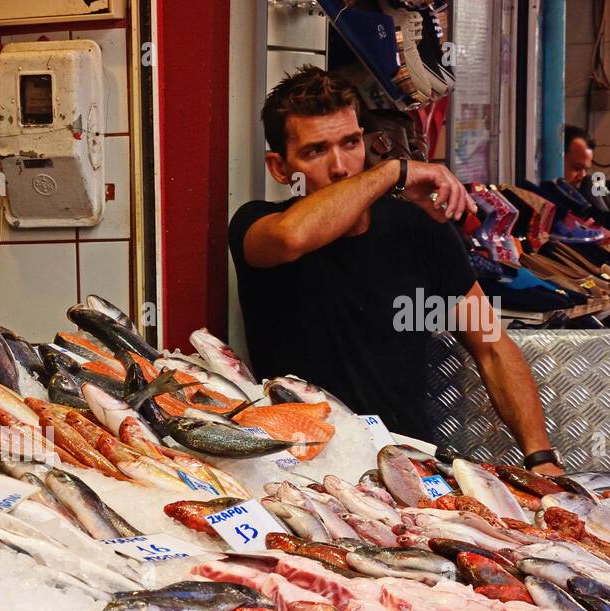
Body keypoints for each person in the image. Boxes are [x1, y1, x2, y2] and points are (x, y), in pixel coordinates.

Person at [229, 67, 563, 475]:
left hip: (410, 463)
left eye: (352, 143)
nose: (340, 166)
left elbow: (492, 347)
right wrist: (391, 171)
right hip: (306, 471)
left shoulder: (418, 230)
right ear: (280, 168)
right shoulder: (259, 224)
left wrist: (542, 459)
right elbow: (291, 238)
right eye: (316, 151)